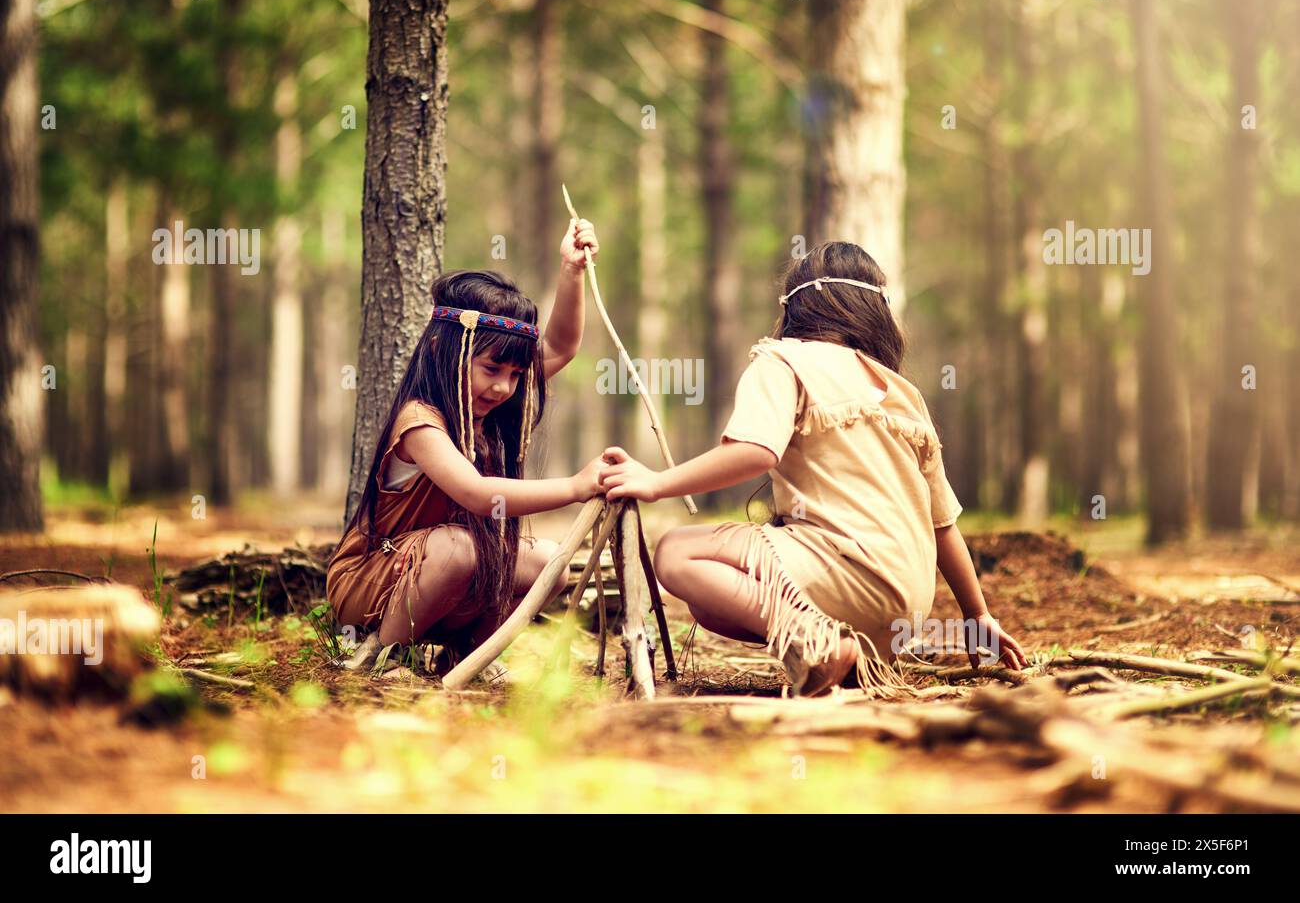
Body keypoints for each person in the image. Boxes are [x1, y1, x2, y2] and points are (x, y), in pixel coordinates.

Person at [598, 241, 1028, 697]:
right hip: (904, 610)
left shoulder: (782, 360)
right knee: (711, 608)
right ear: (876, 311)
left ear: (794, 308)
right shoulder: (902, 392)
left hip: (847, 573)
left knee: (678, 552)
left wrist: (656, 483)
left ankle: (818, 643)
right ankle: (843, 658)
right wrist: (978, 617)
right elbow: (943, 525)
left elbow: (754, 452)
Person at [326, 220, 608, 675]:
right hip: (371, 583)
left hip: (446, 575)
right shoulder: (420, 422)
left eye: (516, 375)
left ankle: (469, 656)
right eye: (492, 368)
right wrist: (576, 486)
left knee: (549, 562)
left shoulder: (488, 413)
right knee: (461, 547)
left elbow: (560, 345)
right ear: (443, 351)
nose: (504, 387)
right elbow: (478, 494)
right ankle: (384, 654)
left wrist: (572, 270)